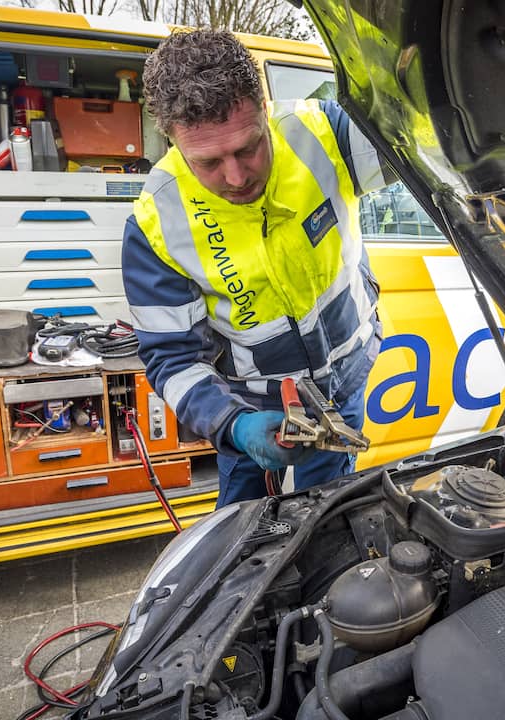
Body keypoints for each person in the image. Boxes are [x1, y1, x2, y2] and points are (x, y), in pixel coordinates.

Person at [122, 29, 390, 507]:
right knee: (244, 535)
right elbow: (172, 358)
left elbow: (431, 148)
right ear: (172, 140)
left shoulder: (323, 135)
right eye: (207, 162)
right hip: (252, 407)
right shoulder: (155, 223)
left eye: (248, 148)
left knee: (330, 515)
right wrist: (232, 424)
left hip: (346, 380)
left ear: (264, 108)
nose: (236, 176)